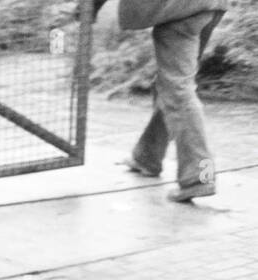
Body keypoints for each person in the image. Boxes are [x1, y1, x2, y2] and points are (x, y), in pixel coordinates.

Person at [98, 0, 231, 201]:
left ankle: (200, 177)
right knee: (174, 86)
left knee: (179, 90)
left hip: (181, 10)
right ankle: (147, 156)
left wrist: (88, 8)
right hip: (212, 6)